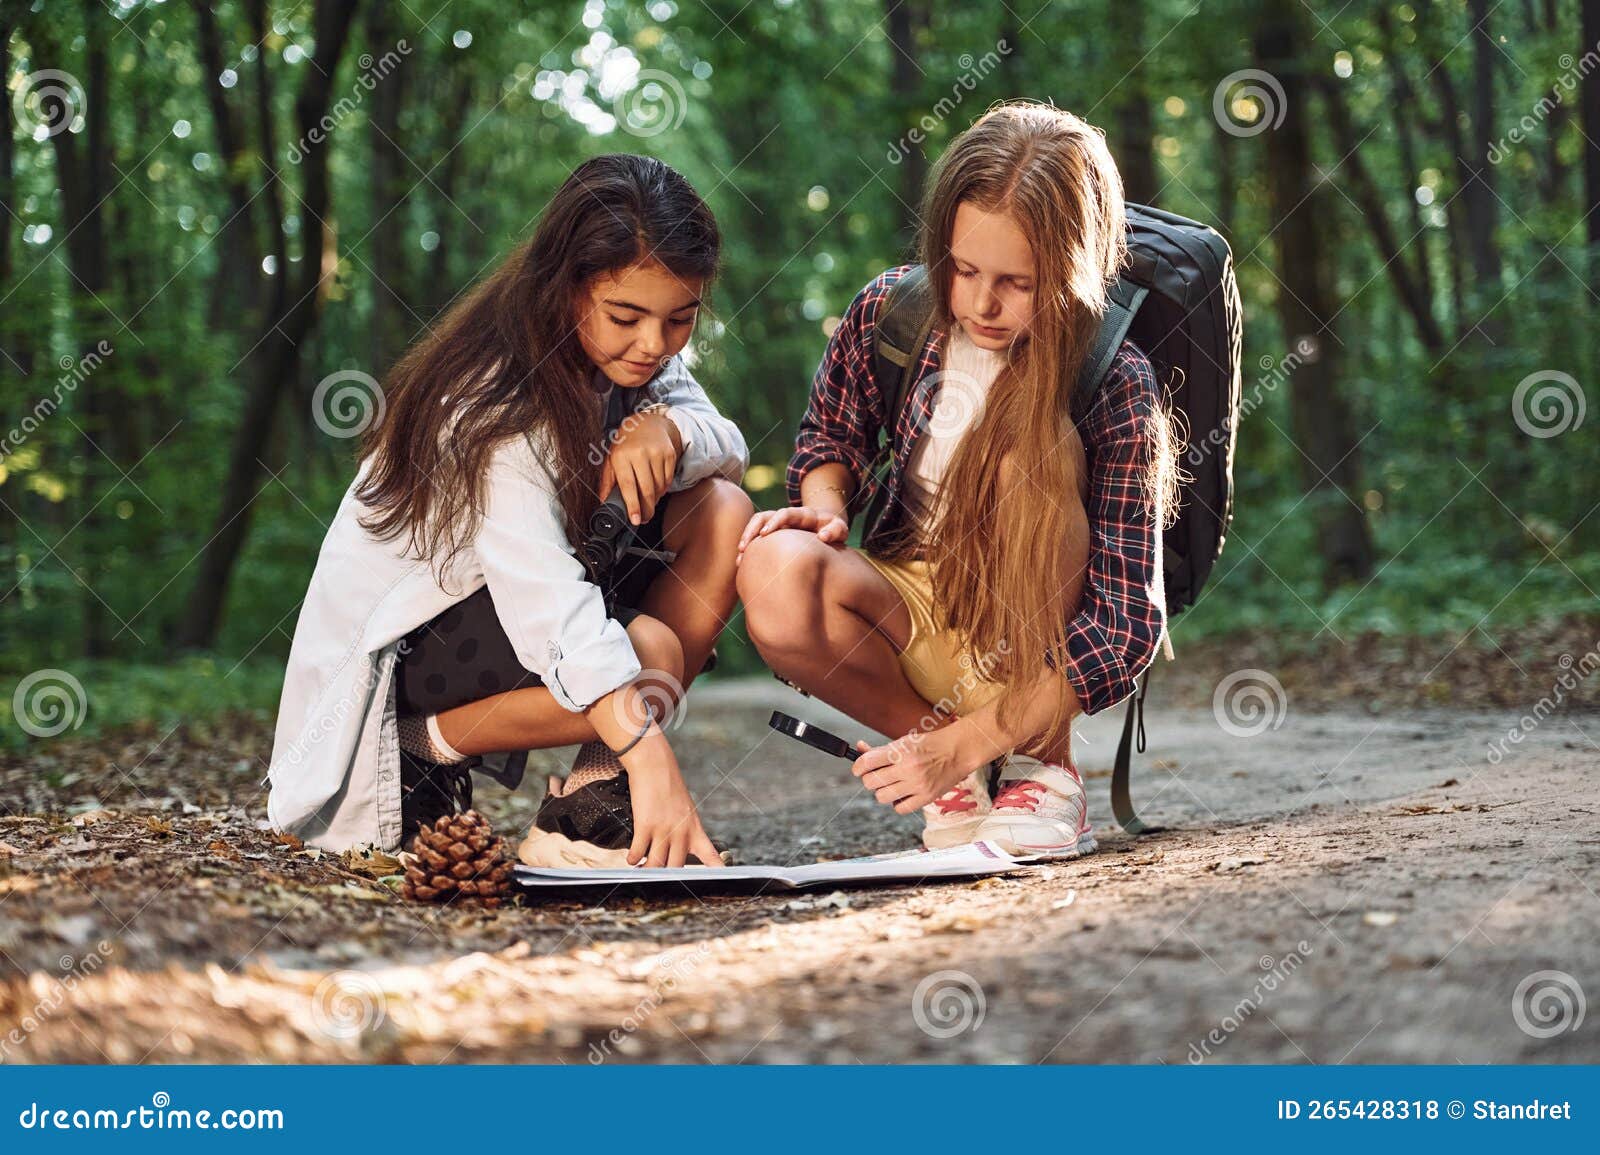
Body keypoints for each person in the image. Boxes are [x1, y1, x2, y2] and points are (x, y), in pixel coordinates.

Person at [267, 154, 749, 869]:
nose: (654, 344)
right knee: (646, 653)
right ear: (567, 287)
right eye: (627, 316)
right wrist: (653, 761)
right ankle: (424, 741)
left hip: (516, 609)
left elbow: (729, 447)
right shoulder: (494, 399)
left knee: (722, 510)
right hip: (404, 655)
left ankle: (586, 803)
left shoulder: (635, 356)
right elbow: (548, 609)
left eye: (679, 319)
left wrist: (672, 429)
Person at [737, 102, 1177, 858]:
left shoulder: (1114, 381)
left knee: (1022, 460)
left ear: (1074, 271)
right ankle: (945, 764)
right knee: (773, 569)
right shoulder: (893, 312)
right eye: (964, 269)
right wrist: (824, 509)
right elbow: (827, 440)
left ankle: (1044, 769)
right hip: (907, 611)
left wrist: (991, 731)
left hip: (1037, 652)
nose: (980, 303)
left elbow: (1125, 626)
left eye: (1018, 282)